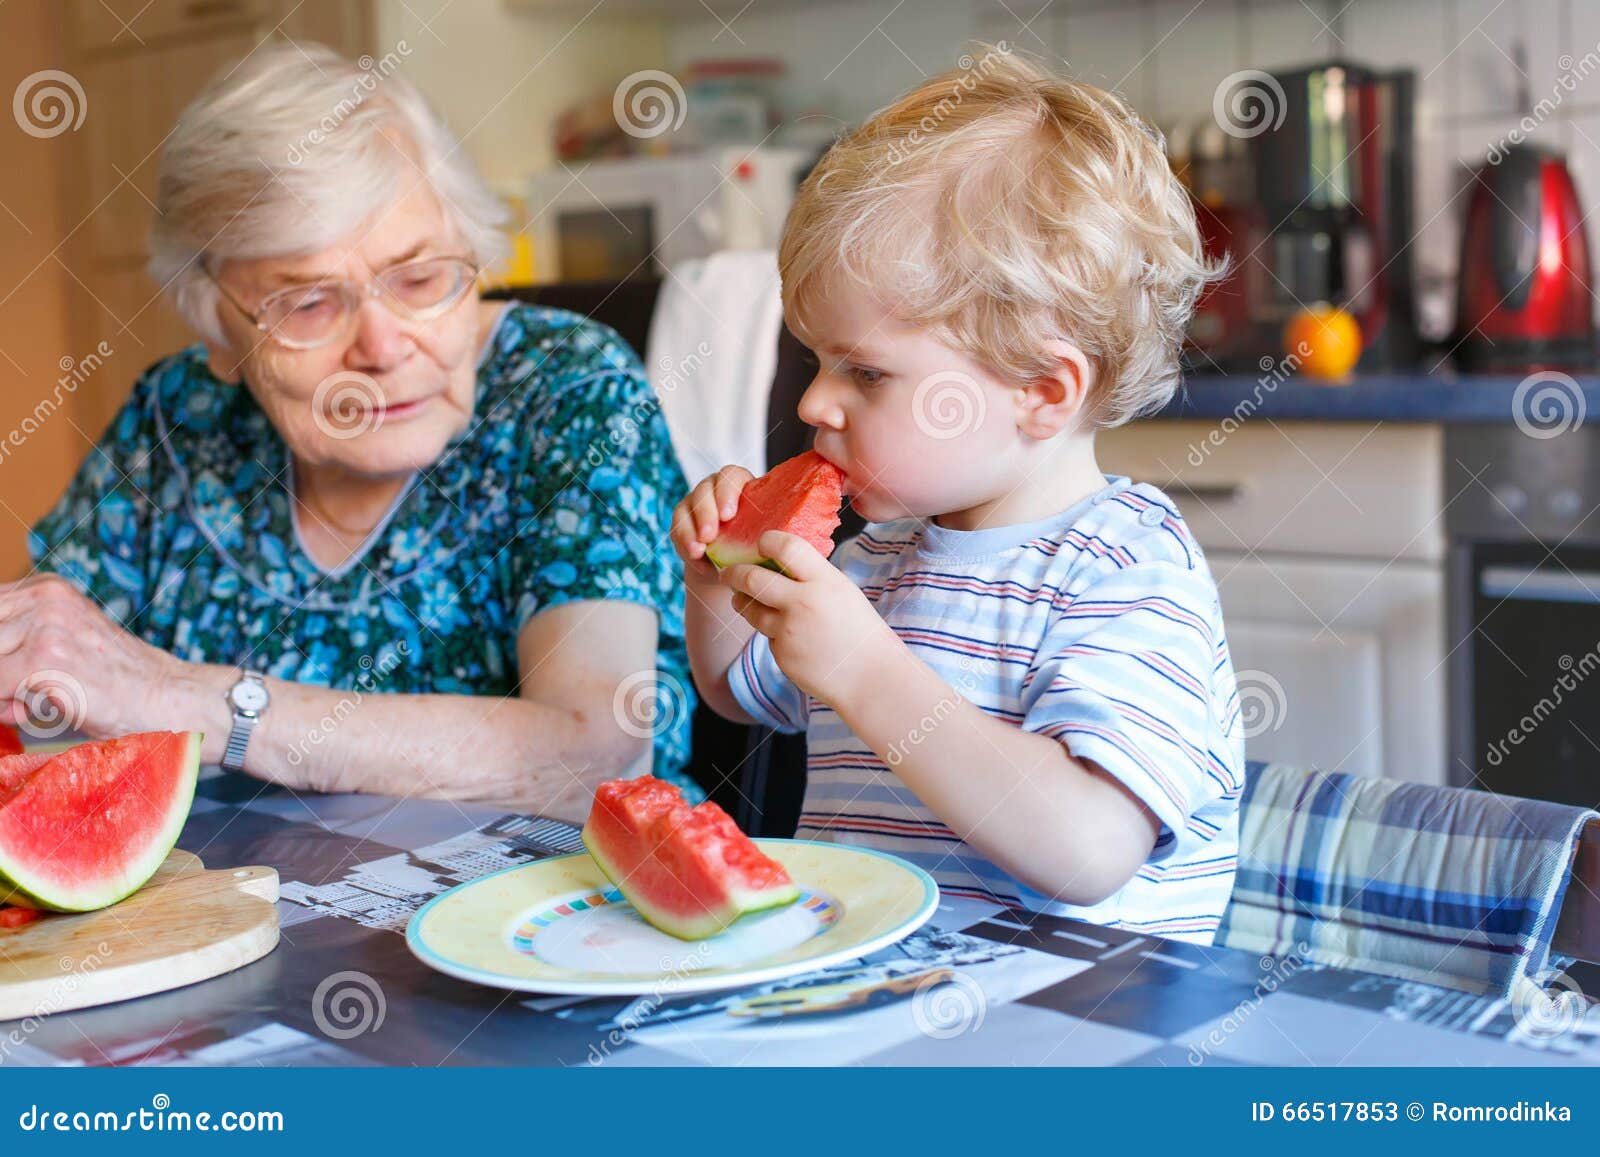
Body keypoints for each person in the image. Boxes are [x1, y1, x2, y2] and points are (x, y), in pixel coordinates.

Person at [8, 43, 698, 819]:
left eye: (420, 278)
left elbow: (591, 753)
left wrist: (190, 700)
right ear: (220, 333)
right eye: (308, 304)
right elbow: (49, 694)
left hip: (537, 923)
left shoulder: (570, 389)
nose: (382, 346)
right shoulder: (177, 415)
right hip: (227, 919)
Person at [670, 49, 1243, 942]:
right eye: (817, 360)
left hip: (1075, 1025)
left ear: (1042, 393)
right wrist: (716, 588)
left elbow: (1089, 849)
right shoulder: (874, 556)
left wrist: (867, 669)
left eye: (865, 372)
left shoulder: (1128, 568)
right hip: (875, 999)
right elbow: (742, 693)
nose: (813, 402)